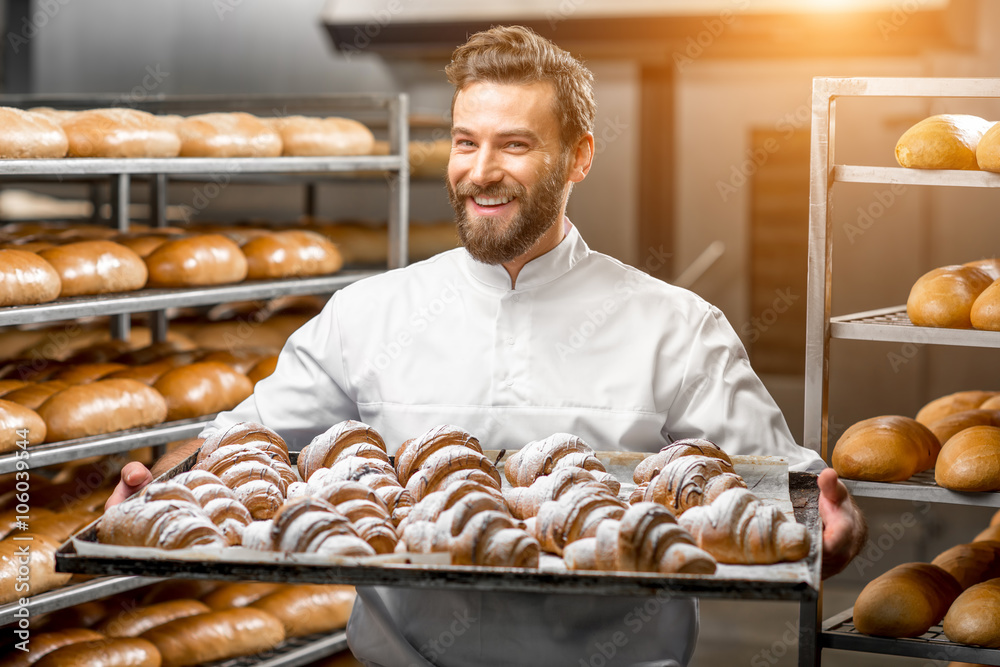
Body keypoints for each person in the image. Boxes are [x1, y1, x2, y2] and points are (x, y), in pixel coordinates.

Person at [108, 25, 866, 667]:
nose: (481, 171)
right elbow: (244, 443)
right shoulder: (368, 312)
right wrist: (161, 489)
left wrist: (838, 525)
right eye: (465, 142)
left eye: (514, 144)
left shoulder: (676, 326)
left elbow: (786, 494)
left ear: (579, 157)